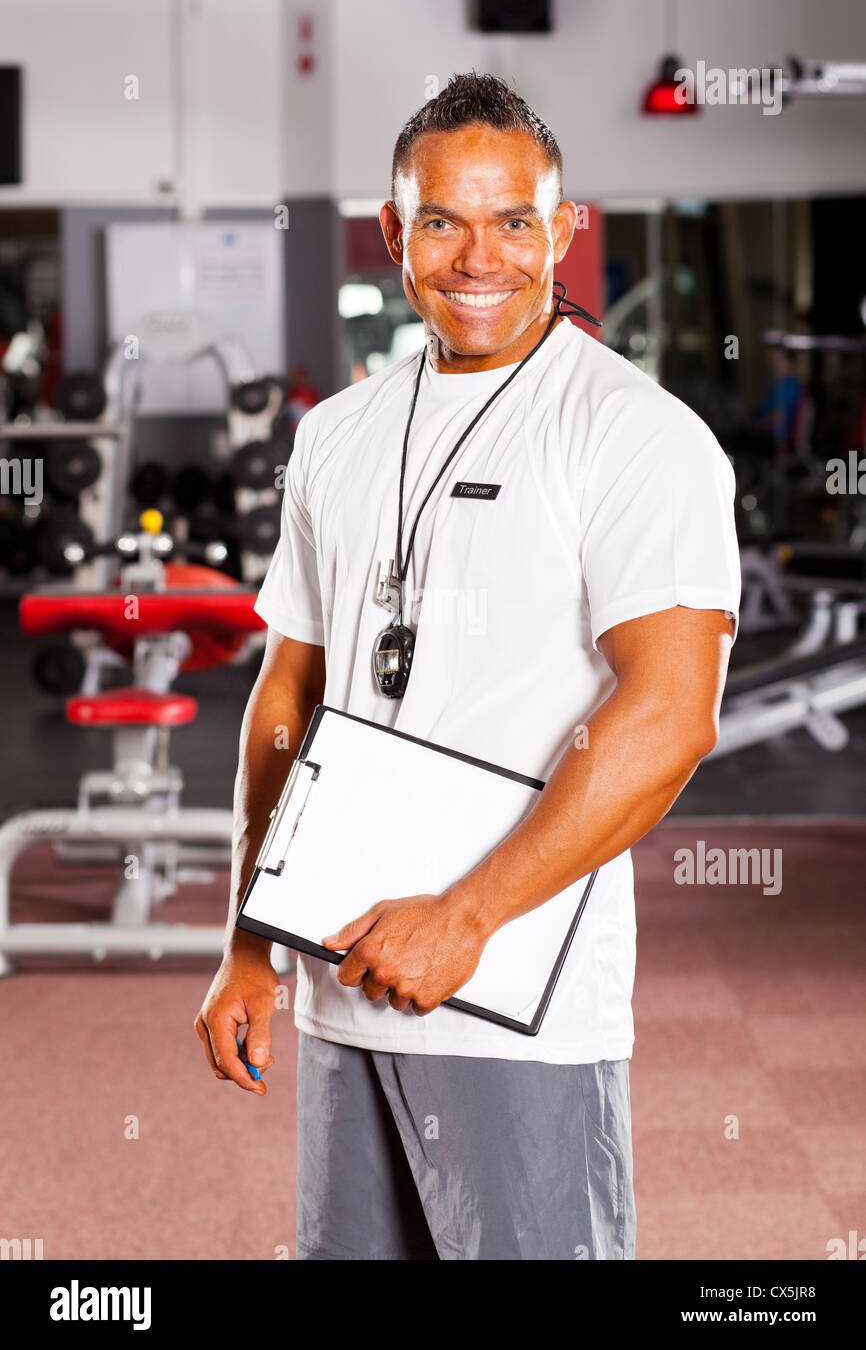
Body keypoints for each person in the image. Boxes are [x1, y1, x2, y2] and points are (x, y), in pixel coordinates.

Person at [195, 72, 741, 1261]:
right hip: (346, 981)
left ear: (564, 229)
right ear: (393, 231)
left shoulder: (630, 434)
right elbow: (290, 696)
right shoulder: (333, 435)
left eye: (512, 220)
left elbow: (669, 713)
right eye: (440, 220)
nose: (476, 255)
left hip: (513, 1005)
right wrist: (249, 940)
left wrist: (467, 915)